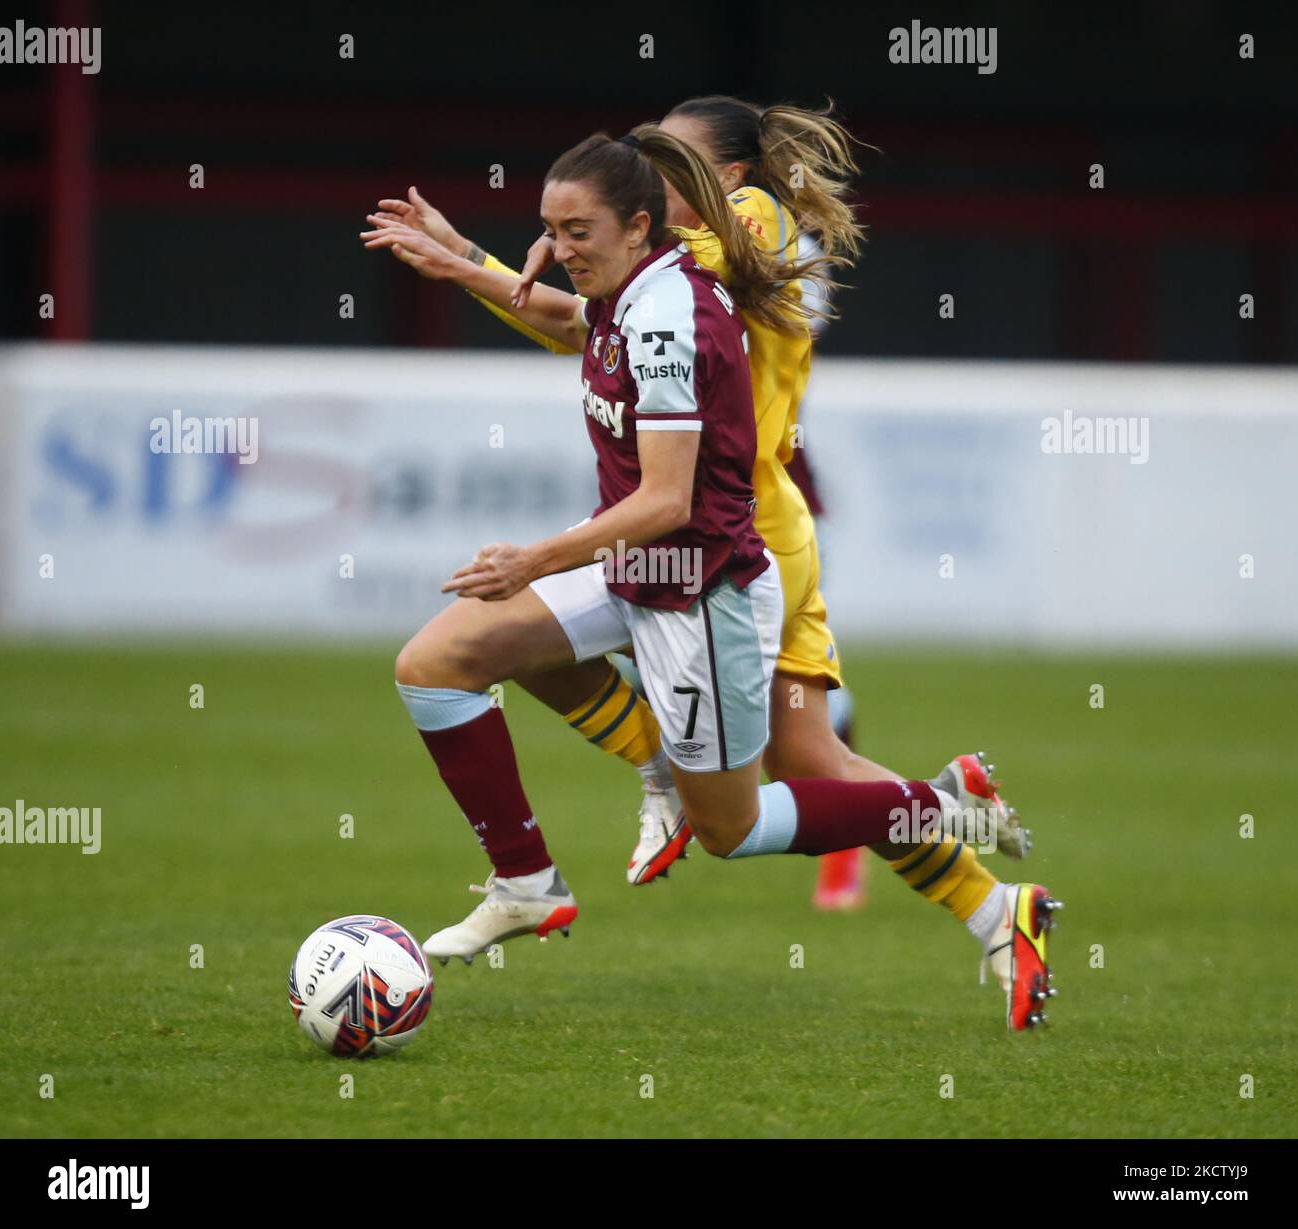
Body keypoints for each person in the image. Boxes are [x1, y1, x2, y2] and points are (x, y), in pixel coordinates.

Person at [360, 124, 1060, 1030]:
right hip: (643, 555)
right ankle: (530, 877)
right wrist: (468, 260)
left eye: (583, 227)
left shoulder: (720, 252)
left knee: (744, 816)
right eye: (555, 226)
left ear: (704, 183)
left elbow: (665, 494)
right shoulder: (639, 278)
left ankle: (941, 807)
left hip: (708, 571)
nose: (565, 244)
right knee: (444, 656)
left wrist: (532, 558)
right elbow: (573, 325)